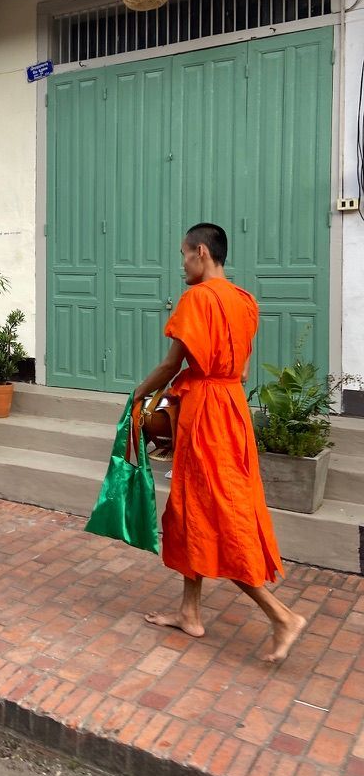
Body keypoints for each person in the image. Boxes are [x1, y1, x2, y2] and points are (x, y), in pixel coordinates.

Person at [132, 224, 305, 663]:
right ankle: (189, 613)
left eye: (184, 255)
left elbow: (172, 363)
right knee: (193, 506)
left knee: (218, 513)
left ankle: (281, 616)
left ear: (202, 253)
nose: (182, 263)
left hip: (207, 413)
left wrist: (138, 393)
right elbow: (243, 372)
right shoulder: (245, 302)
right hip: (231, 408)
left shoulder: (199, 299)